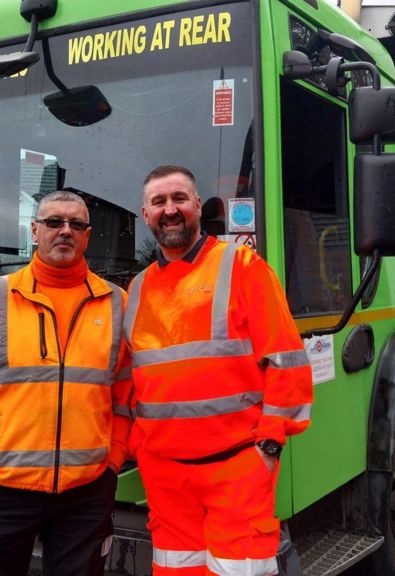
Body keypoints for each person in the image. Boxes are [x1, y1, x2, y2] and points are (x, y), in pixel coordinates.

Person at [124, 166, 313, 575]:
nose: (169, 210)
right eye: (159, 202)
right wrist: (140, 445)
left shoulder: (242, 266)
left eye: (178, 199)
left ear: (197, 205)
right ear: (145, 214)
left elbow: (286, 360)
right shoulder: (137, 289)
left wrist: (268, 448)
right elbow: (131, 377)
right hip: (166, 477)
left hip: (237, 470)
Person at [0, 190, 132, 576]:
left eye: (76, 224)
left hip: (86, 495)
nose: (65, 231)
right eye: (54, 222)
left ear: (87, 236)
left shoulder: (116, 304)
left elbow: (124, 401)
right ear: (34, 230)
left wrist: (111, 464)